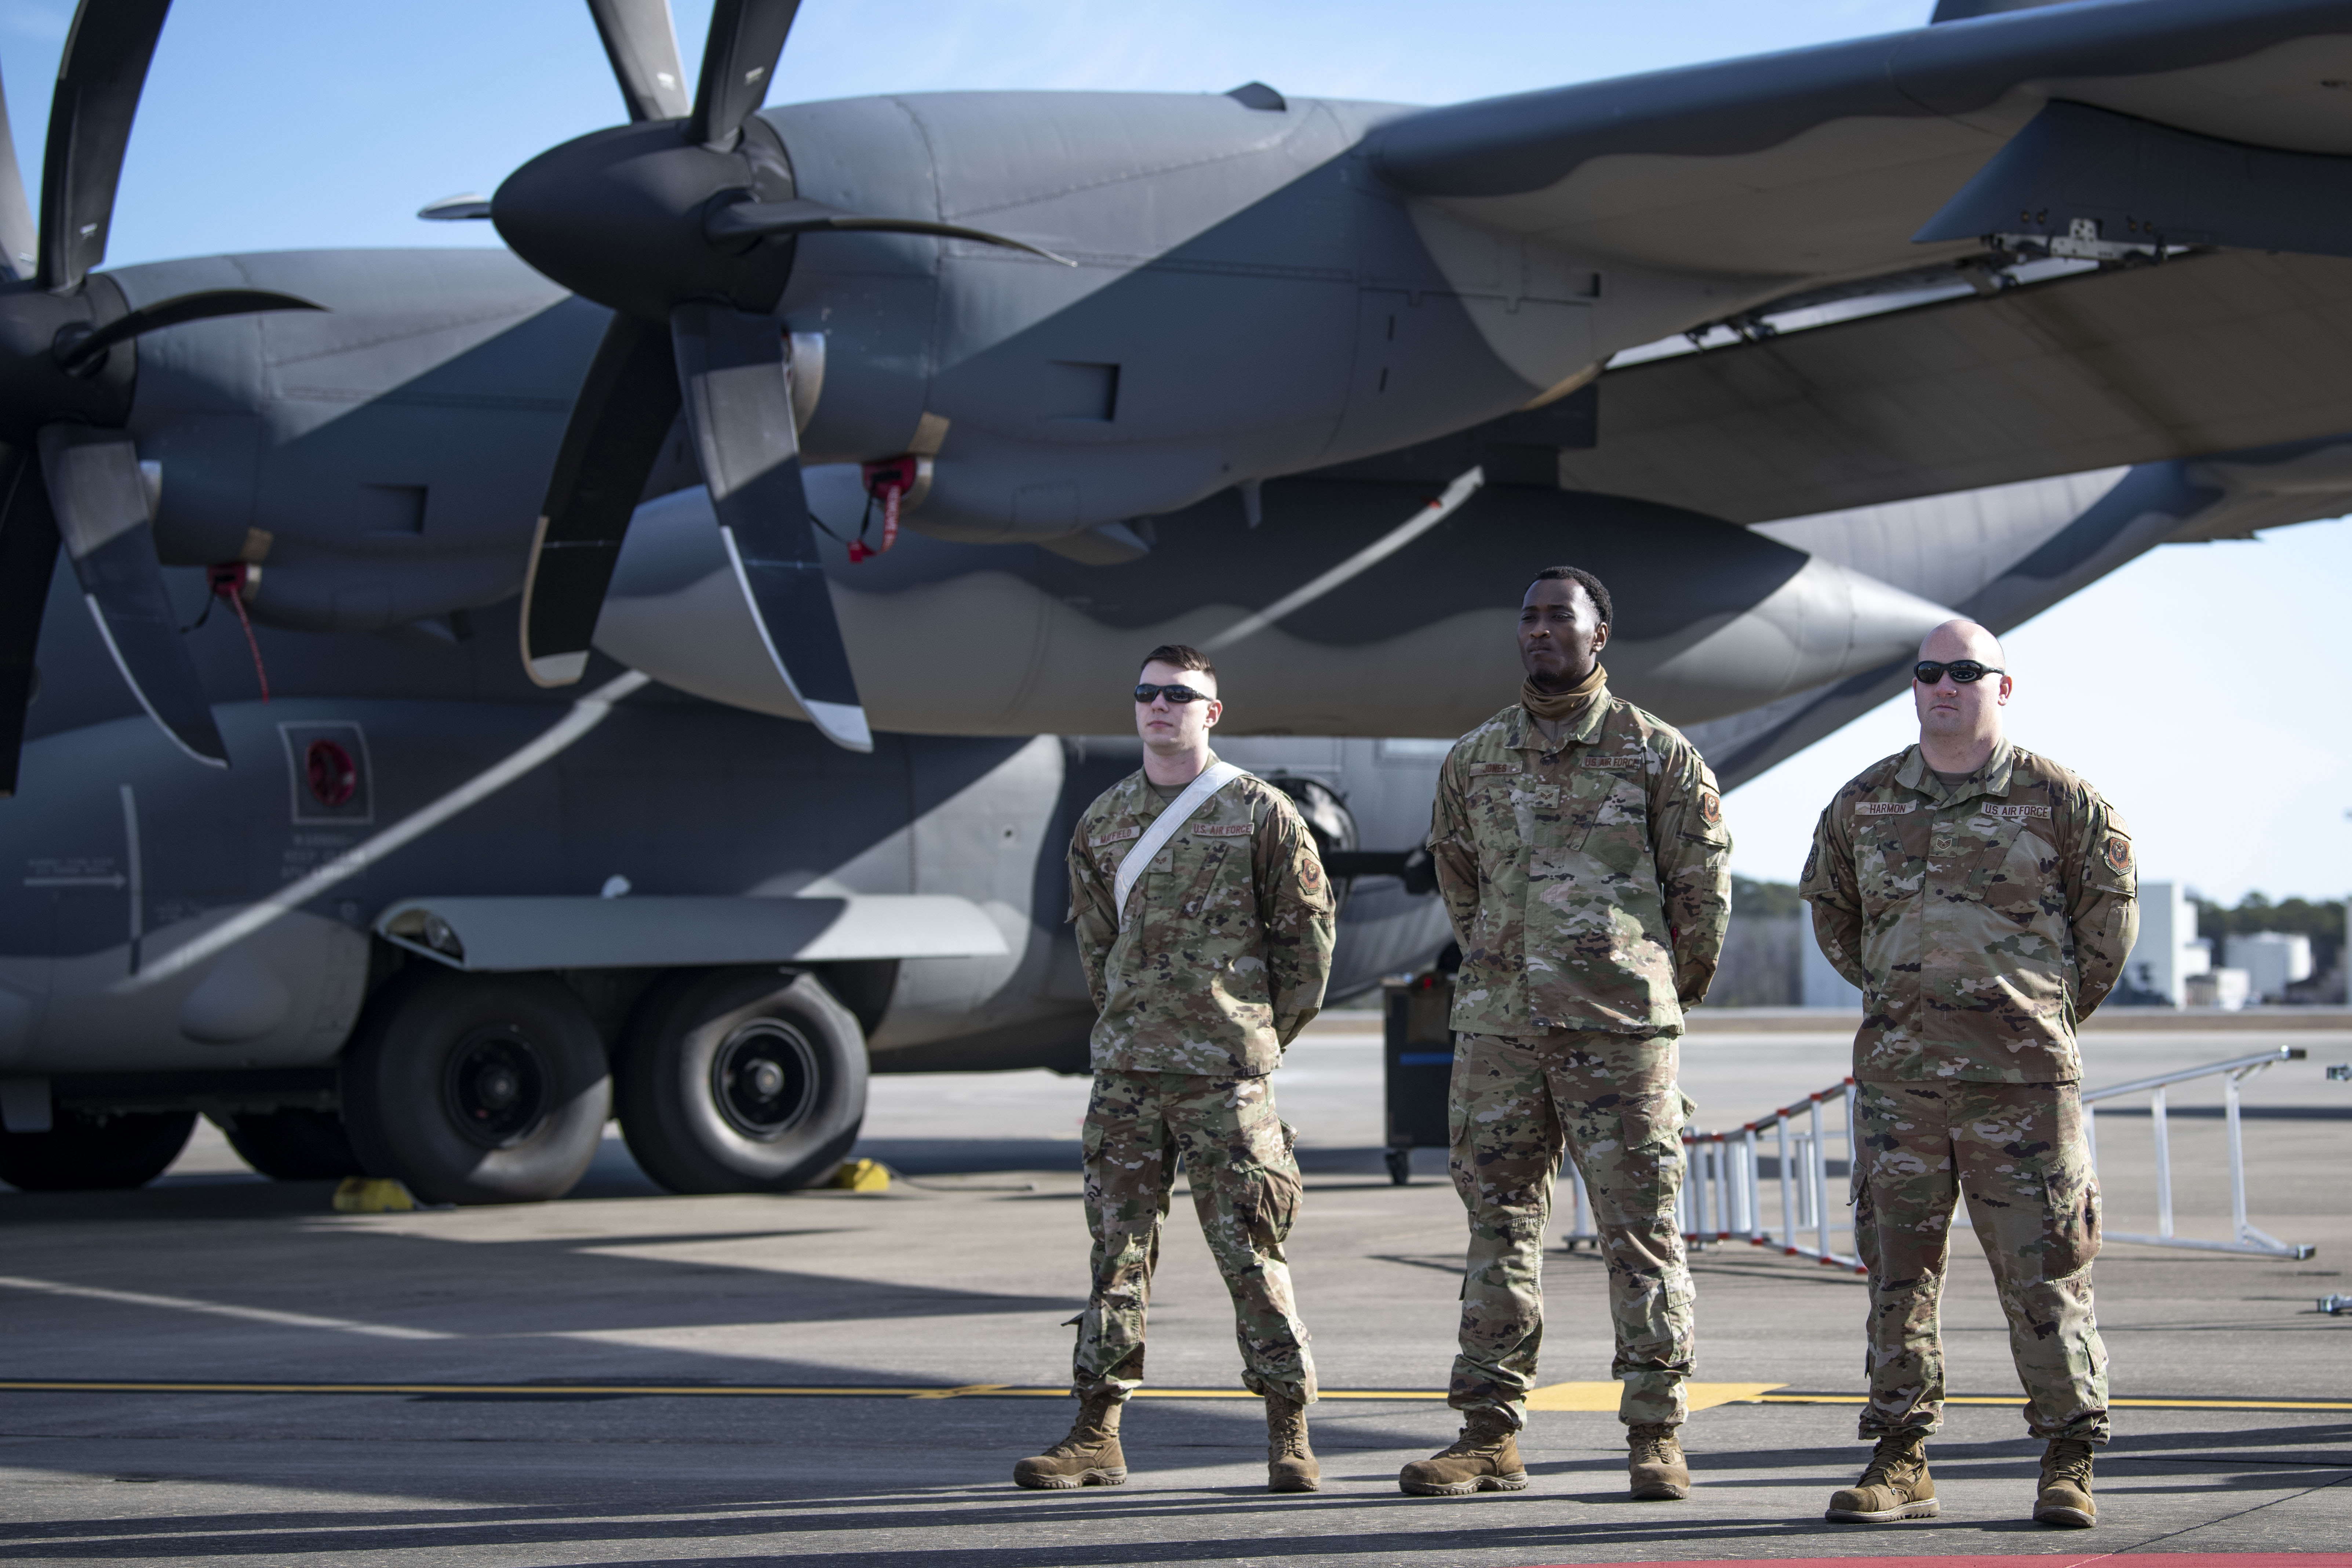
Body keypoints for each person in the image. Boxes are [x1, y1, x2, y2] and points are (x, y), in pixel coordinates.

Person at [1799, 618, 2138, 1531]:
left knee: (2046, 1271)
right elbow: (1836, 922)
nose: (1943, 685)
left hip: (2022, 1086)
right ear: (1913, 687)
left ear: (2002, 685)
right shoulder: (1863, 804)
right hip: (1901, 1084)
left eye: (1964, 671)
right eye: (1928, 672)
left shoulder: (2058, 801)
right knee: (1896, 1275)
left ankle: (2069, 1456)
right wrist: (1909, 1002)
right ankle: (1900, 1457)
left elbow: (2106, 935)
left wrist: (2035, 1015)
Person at [1406, 566, 1732, 1502]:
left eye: (1560, 616)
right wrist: (1506, 969)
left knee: (1642, 1235)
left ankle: (1655, 1434)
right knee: (1497, 1228)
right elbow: (1458, 879)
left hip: (1620, 1033)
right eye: (1529, 617)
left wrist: (1649, 995)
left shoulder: (1656, 754)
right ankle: (1487, 1437)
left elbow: (1699, 900)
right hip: (1502, 1031)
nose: (1540, 630)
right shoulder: (1473, 758)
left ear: (1600, 635)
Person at [1013, 643, 1337, 1494]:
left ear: (1210, 711)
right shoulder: (1105, 821)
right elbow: (1096, 947)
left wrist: (1252, 1037)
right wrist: (1139, 1024)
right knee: (1113, 1255)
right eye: (1147, 694)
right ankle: (1096, 1432)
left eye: (1179, 695)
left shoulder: (1260, 813)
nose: (1160, 707)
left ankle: (1288, 1427)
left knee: (1251, 1253)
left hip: (1224, 1076)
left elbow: (1307, 947)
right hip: (1127, 1074)